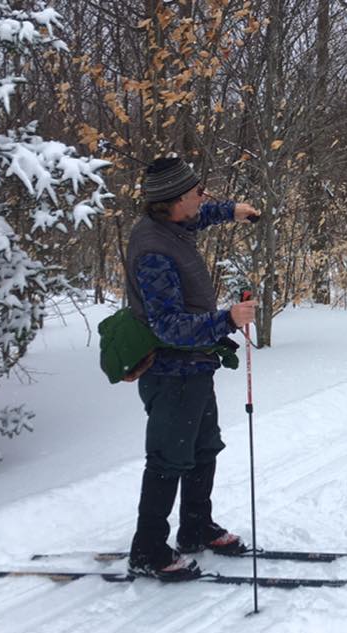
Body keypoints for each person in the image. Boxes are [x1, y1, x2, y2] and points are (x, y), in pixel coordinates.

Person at [125, 155, 261, 581]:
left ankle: (196, 527)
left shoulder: (172, 225)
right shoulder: (152, 251)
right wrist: (227, 320)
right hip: (170, 374)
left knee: (203, 450)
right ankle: (147, 550)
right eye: (197, 192)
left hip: (195, 368)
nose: (204, 197)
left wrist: (231, 211)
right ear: (172, 200)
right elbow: (167, 325)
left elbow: (198, 219)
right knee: (168, 459)